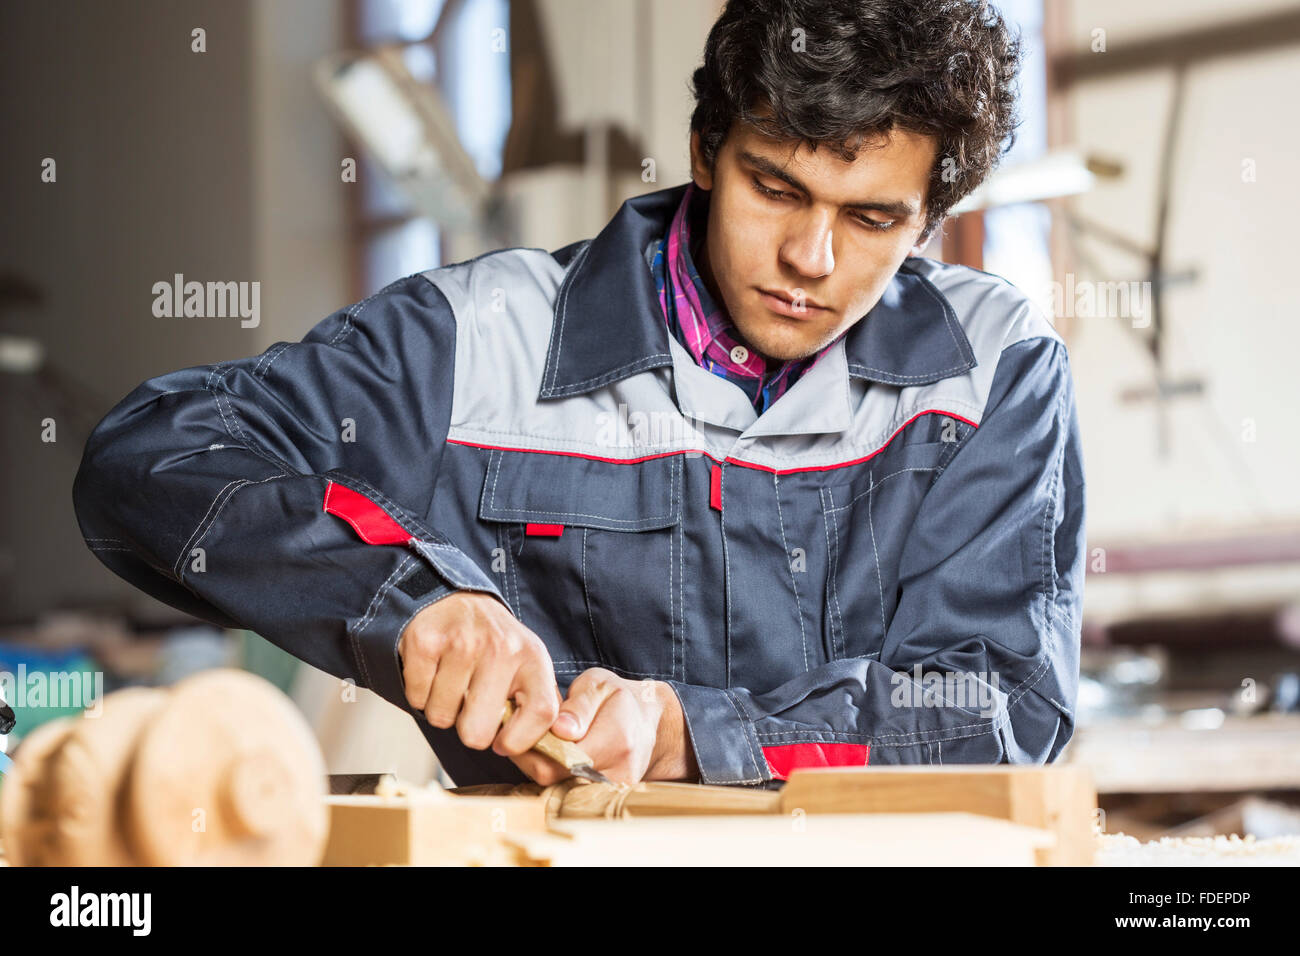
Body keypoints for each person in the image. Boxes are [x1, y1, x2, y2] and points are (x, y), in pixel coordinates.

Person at [73, 0, 1085, 787]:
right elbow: (151, 454)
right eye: (773, 187)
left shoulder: (994, 369)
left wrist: (695, 732)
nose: (807, 258)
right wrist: (409, 600)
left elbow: (1000, 709)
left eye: (869, 219)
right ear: (705, 150)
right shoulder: (478, 343)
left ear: (928, 220)